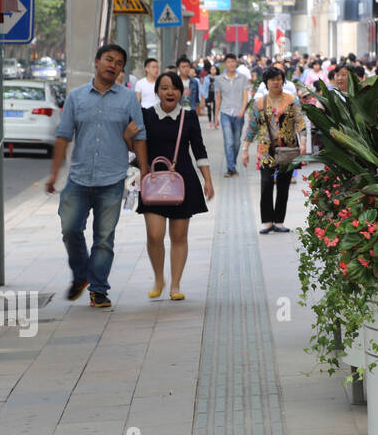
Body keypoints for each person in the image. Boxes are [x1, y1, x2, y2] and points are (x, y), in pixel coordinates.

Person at [45, 44, 149, 309]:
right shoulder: (76, 97)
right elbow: (64, 135)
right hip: (78, 178)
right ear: (97, 62)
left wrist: (145, 172)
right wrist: (54, 173)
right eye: (109, 59)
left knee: (104, 238)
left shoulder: (128, 99)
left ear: (121, 70)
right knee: (70, 229)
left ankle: (99, 289)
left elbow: (139, 136)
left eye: (118, 63)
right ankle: (81, 275)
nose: (113, 65)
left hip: (112, 179)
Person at [136, 72, 214, 300]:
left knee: (179, 236)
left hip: (183, 181)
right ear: (157, 91)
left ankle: (175, 285)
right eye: (164, 88)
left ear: (181, 91)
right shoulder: (146, 116)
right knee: (154, 234)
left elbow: (199, 150)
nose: (170, 92)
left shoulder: (188, 118)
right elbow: (136, 145)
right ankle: (159, 277)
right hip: (152, 182)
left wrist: (207, 180)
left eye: (174, 88)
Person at [242, 67, 307, 234]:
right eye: (272, 80)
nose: (276, 82)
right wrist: (245, 149)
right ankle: (267, 221)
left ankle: (279, 220)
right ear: (266, 83)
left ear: (283, 81)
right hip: (265, 148)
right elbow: (252, 127)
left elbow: (300, 122)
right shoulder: (259, 103)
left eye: (279, 79)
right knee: (266, 183)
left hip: (288, 148)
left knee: (284, 185)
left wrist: (304, 143)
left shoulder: (292, 100)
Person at [214, 53, 249, 177]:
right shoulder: (219, 79)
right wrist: (215, 116)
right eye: (228, 62)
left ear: (236, 63)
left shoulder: (243, 78)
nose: (231, 64)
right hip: (225, 113)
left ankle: (232, 164)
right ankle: (231, 168)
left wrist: (243, 109)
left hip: (239, 114)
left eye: (233, 61)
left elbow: (246, 95)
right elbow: (218, 98)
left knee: (237, 142)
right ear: (225, 64)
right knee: (229, 141)